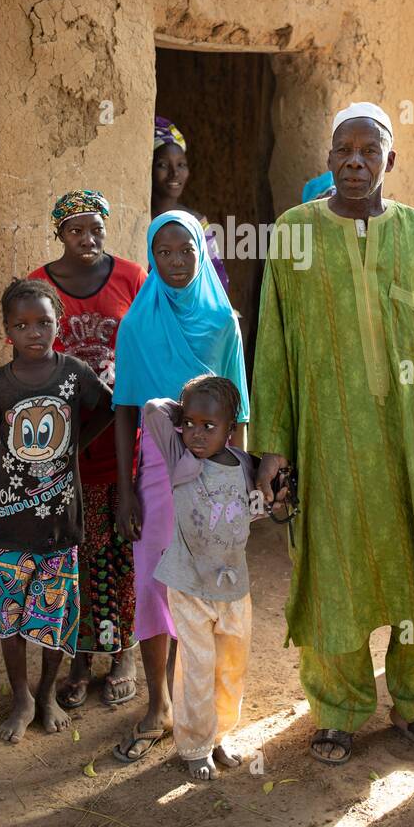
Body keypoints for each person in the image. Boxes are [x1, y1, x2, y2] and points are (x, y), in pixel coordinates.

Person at [250, 100, 414, 767]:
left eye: (368, 151)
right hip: (327, 441)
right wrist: (274, 449)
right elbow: (274, 350)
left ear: (388, 161)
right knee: (330, 568)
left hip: (408, 446)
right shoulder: (293, 232)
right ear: (327, 159)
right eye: (343, 149)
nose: (354, 161)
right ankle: (338, 711)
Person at [112, 210, 249, 763]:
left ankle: (209, 718)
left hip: (211, 478)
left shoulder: (222, 322)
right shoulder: (138, 324)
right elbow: (126, 412)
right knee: (153, 586)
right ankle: (159, 704)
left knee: (208, 591)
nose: (174, 262)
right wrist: (126, 491)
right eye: (163, 252)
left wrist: (236, 481)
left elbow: (239, 407)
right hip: (155, 470)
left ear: (200, 253)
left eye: (185, 251)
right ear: (151, 255)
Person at [0, 279, 116, 743]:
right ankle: (21, 698)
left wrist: (74, 446)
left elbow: (109, 410)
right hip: (10, 524)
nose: (34, 332)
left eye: (44, 323)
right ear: (6, 332)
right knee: (11, 618)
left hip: (59, 526)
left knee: (56, 617)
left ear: (59, 324)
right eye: (22, 325)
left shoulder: (73, 373)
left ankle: (48, 693)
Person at [29, 190, 146, 710]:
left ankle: (122, 654)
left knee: (120, 549)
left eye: (96, 227)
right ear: (59, 234)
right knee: (75, 552)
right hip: (65, 443)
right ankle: (79, 660)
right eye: (76, 229)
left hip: (122, 437)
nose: (88, 238)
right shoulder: (40, 283)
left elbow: (142, 351)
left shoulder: (131, 277)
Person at [143, 376, 260, 781]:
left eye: (210, 426)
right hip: (189, 586)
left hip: (233, 589)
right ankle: (193, 745)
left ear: (232, 429)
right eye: (189, 423)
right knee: (196, 667)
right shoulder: (181, 459)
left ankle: (218, 735)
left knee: (230, 668)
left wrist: (215, 413)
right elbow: (152, 411)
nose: (196, 432)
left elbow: (259, 507)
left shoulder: (245, 464)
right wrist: (190, 407)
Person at [152, 116, 229, 290]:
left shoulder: (197, 222)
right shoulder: (140, 221)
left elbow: (216, 280)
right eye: (162, 165)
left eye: (181, 164)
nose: (175, 173)